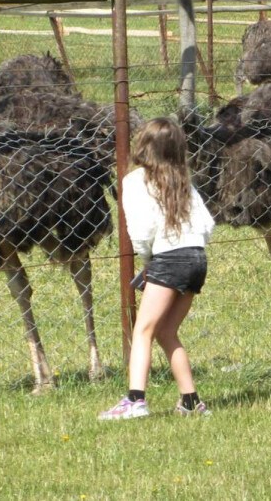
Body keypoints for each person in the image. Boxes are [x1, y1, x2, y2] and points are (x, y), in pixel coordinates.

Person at [99, 117, 216, 419]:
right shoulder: (183, 181)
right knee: (167, 331)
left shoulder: (135, 181)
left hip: (168, 260)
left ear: (142, 145)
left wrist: (149, 261)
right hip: (196, 259)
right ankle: (191, 402)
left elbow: (140, 231)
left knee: (143, 331)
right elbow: (207, 224)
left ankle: (135, 400)